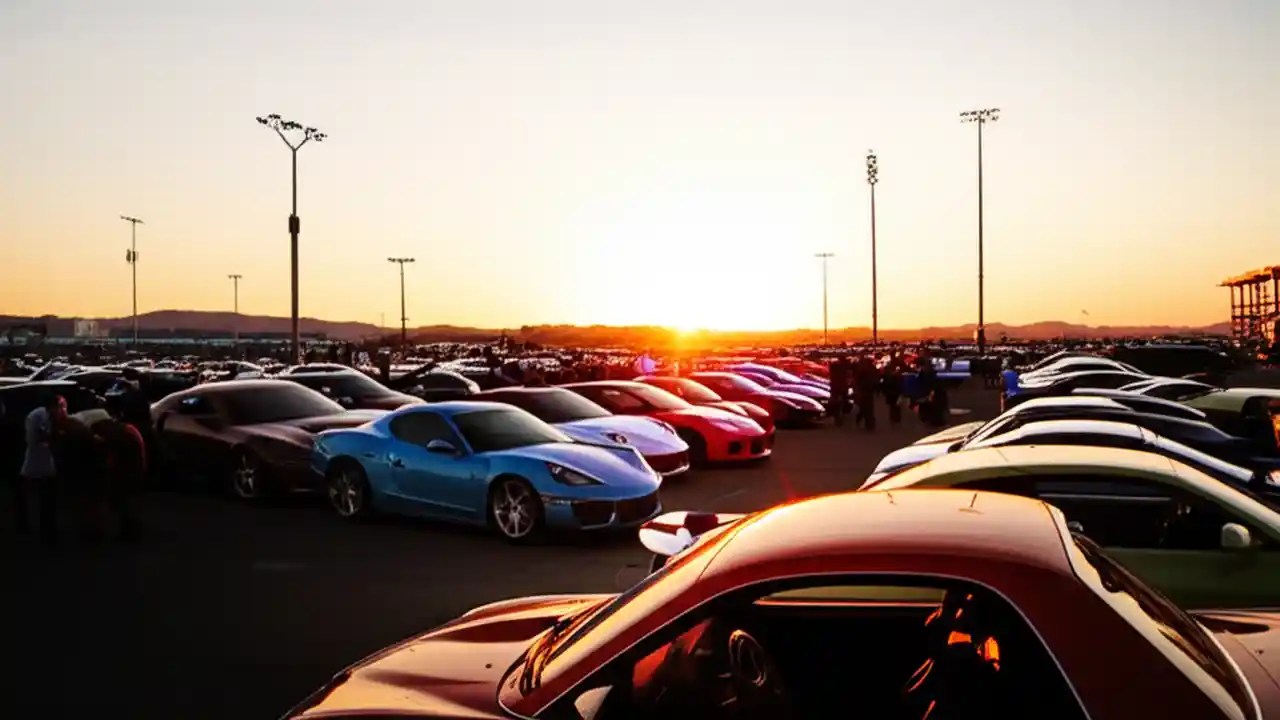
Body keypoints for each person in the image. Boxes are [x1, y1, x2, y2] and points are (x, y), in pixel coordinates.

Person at [21, 395, 63, 545]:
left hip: (46, 461)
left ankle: (48, 528)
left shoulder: (47, 416)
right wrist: (50, 437)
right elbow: (34, 439)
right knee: (44, 498)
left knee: (48, 498)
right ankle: (45, 530)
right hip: (38, 460)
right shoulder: (36, 416)